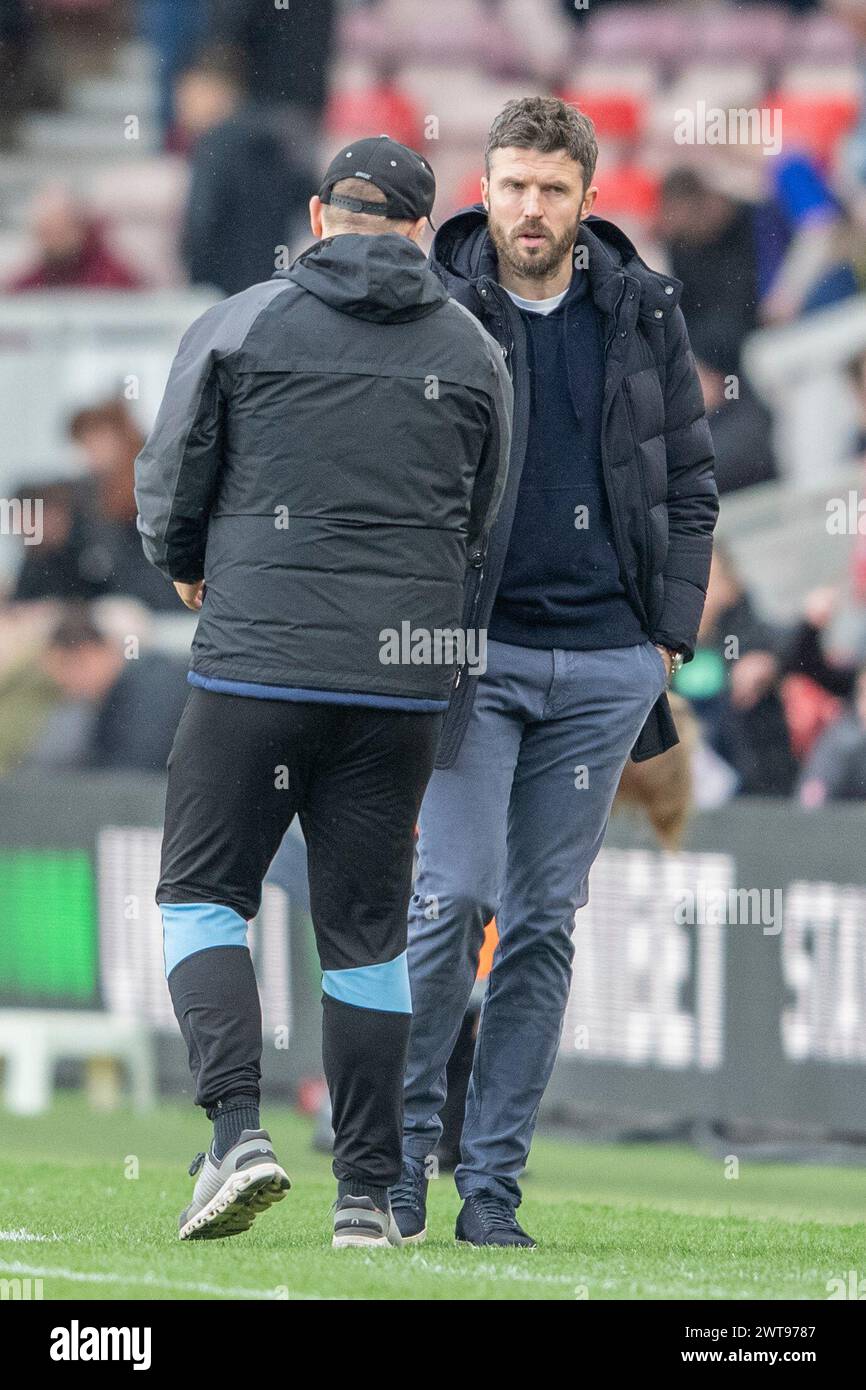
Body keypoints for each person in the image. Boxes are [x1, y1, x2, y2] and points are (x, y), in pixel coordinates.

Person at [134, 136, 512, 1247]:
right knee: (366, 939)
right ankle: (363, 1197)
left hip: (254, 658)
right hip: (396, 680)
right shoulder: (475, 345)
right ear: (422, 228)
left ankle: (237, 1133)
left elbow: (172, 476)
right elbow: (481, 514)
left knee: (202, 898)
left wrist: (186, 559)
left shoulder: (243, 318)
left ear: (316, 212)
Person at [389, 96, 717, 1248]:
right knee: (455, 896)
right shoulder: (433, 303)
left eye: (552, 189)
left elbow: (688, 482)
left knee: (541, 922)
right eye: (512, 185)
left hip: (603, 668)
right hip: (470, 661)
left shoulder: (643, 309)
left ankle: (490, 1193)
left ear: (588, 198)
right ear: (484, 185)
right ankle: (394, 1161)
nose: (529, 208)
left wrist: (662, 641)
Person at [176, 57, 313, 297]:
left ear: (221, 92)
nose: (183, 107)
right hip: (270, 285)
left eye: (191, 95)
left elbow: (201, 222)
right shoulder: (276, 139)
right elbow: (306, 196)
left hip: (220, 290)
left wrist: (193, 271)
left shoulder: (213, 145)